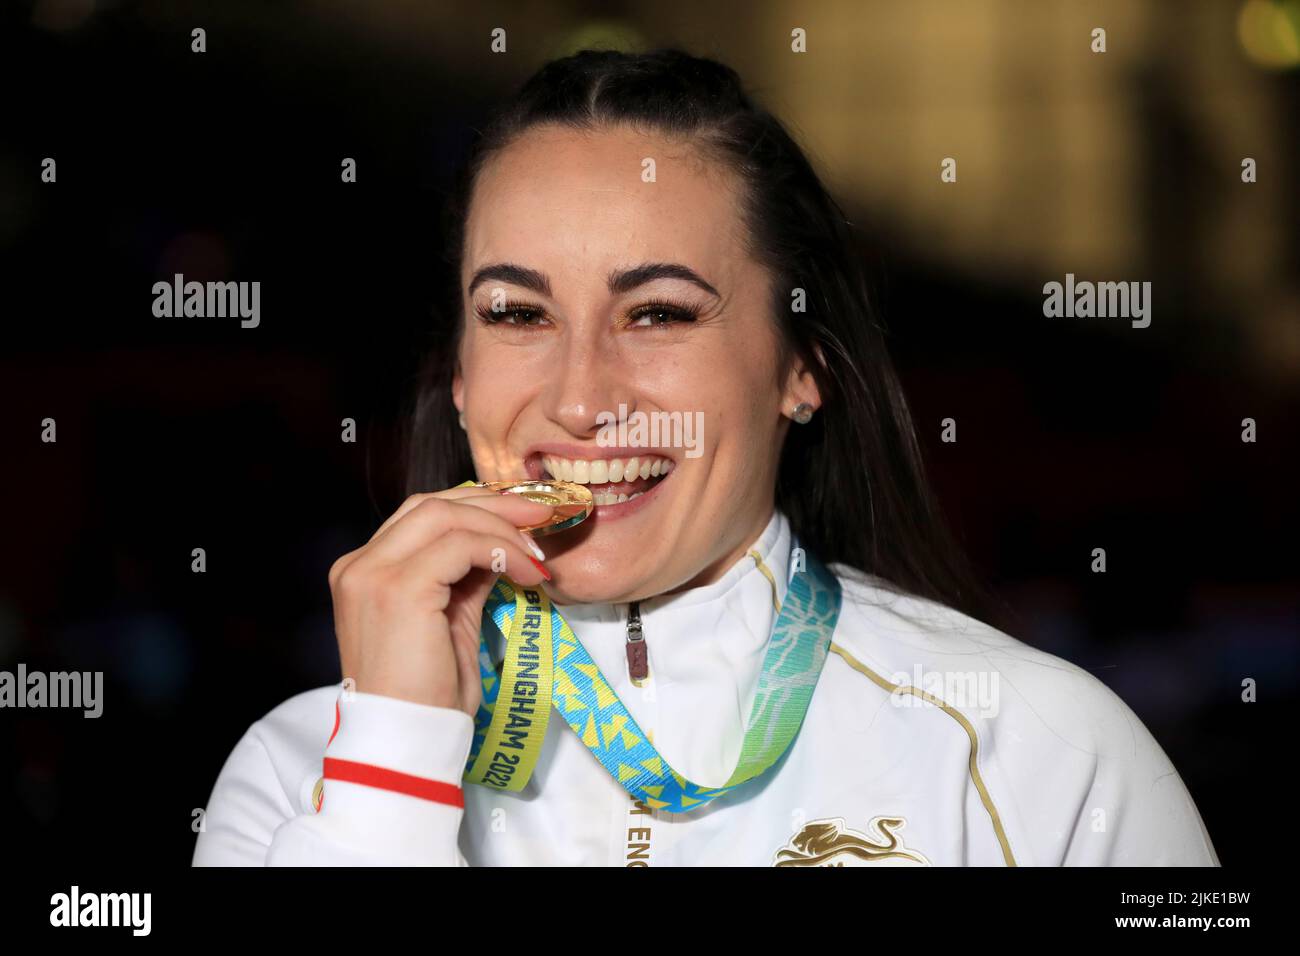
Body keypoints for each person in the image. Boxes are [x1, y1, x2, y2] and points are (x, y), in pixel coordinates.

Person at [192, 48, 1218, 866]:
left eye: (659, 312)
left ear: (801, 367)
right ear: (458, 374)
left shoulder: (1036, 750)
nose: (580, 397)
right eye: (516, 312)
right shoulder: (300, 774)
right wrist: (393, 766)